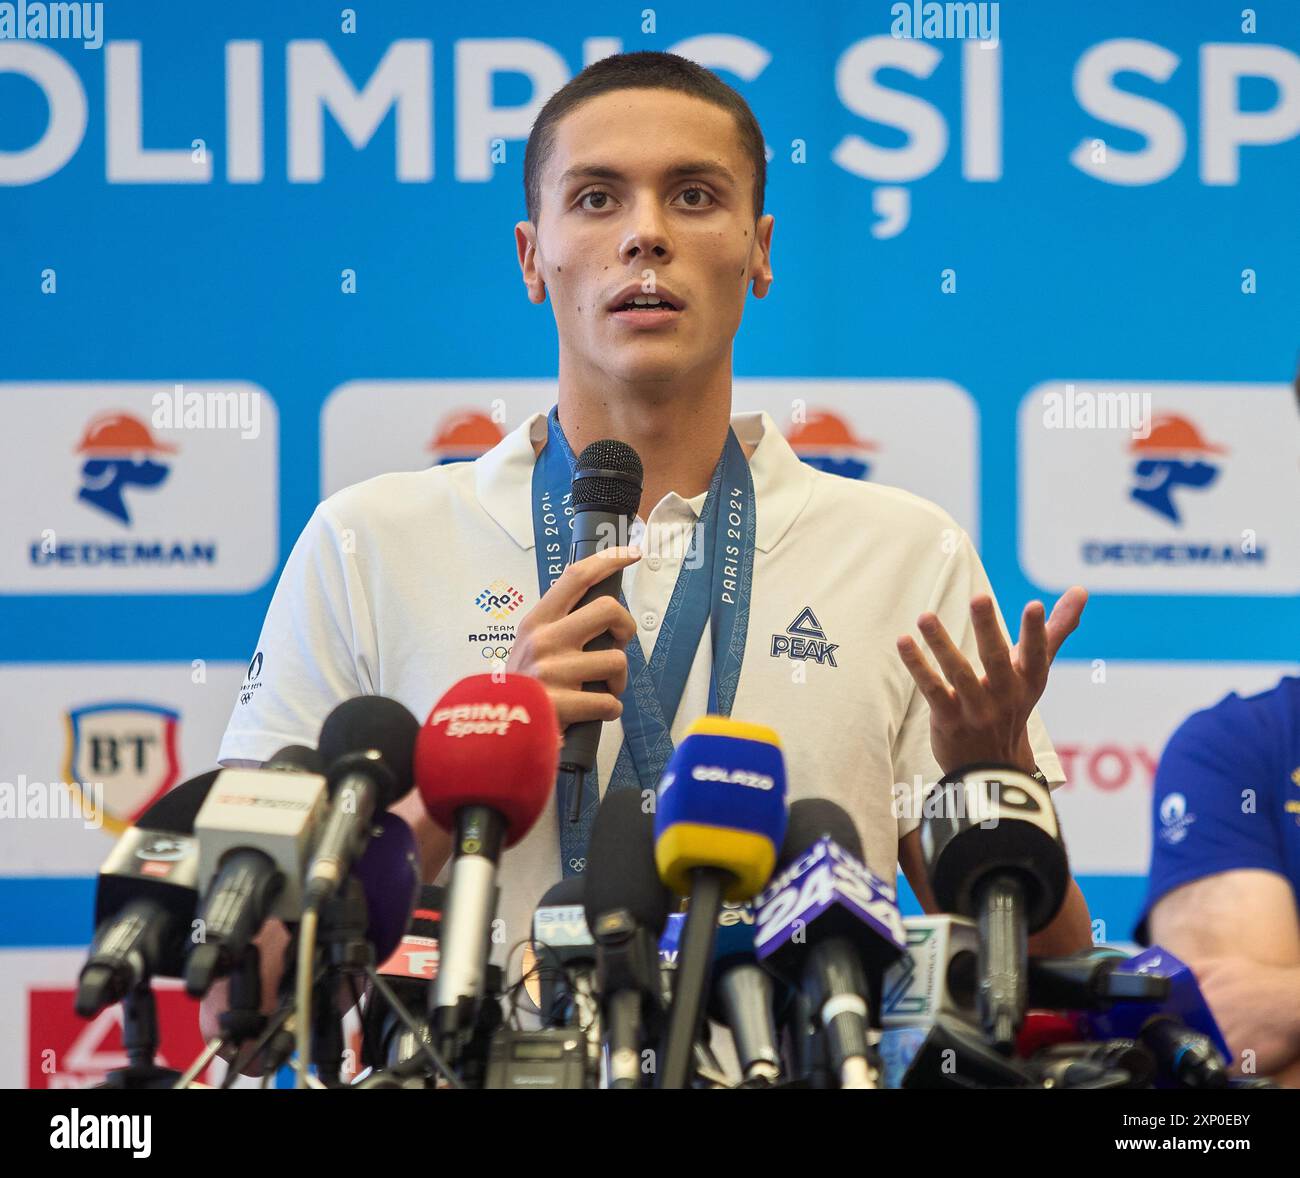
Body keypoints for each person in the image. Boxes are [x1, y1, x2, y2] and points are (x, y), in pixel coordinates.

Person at [202, 51, 1093, 1055]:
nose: (646, 235)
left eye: (694, 195)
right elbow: (248, 993)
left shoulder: (902, 553)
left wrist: (992, 778)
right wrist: (474, 758)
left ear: (758, 250)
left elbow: (1050, 998)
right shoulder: (366, 542)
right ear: (530, 257)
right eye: (595, 197)